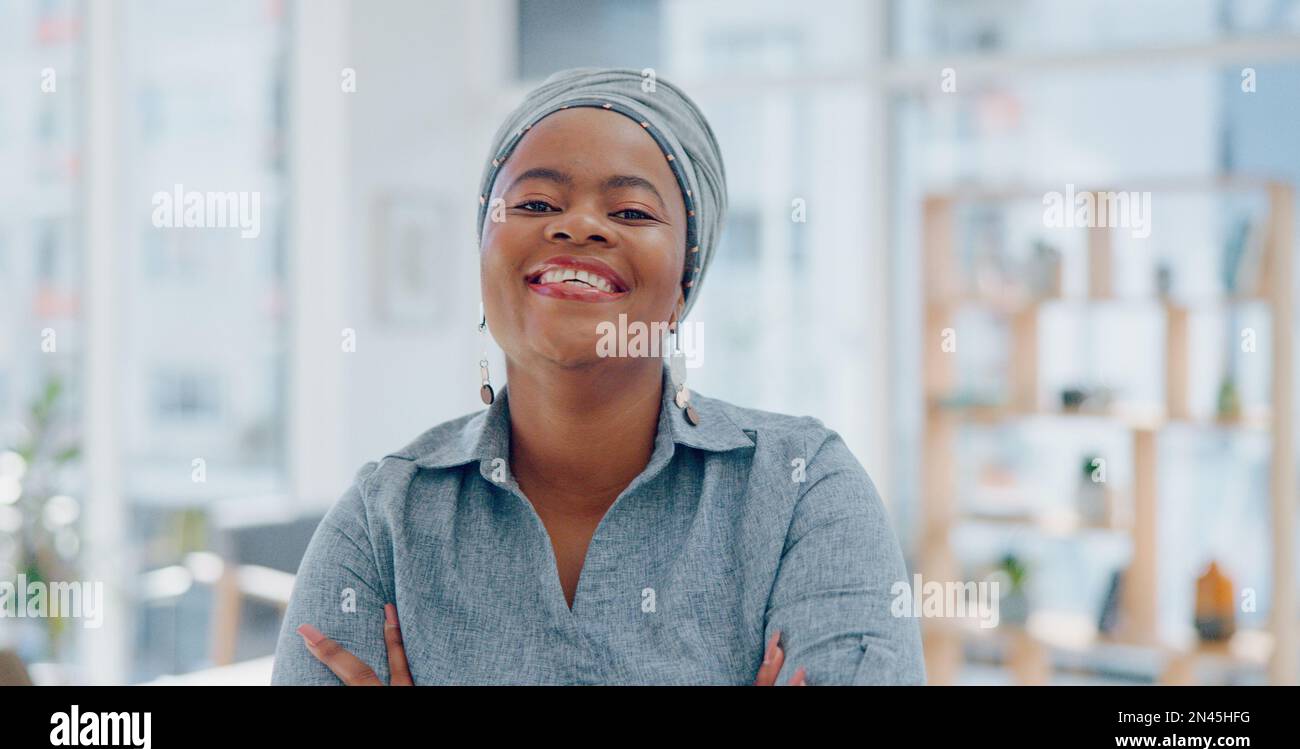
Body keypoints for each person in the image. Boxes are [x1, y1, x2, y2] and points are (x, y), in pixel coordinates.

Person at [270, 67, 924, 685]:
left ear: (684, 284)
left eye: (632, 212)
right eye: (533, 202)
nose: (577, 225)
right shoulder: (382, 520)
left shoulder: (803, 491)